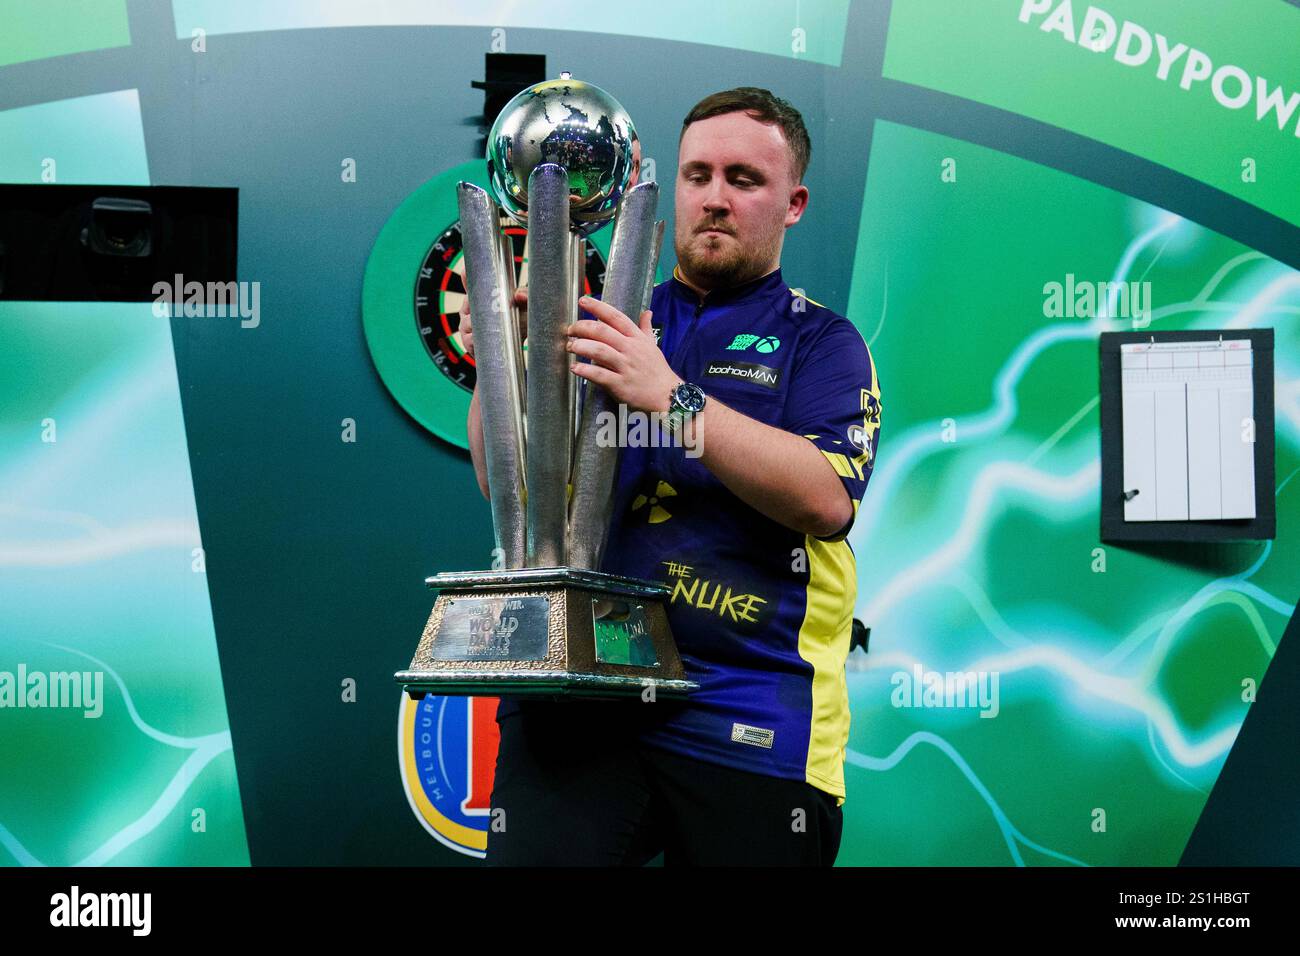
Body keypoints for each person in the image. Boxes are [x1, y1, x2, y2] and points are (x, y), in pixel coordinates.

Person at [461, 87, 882, 866]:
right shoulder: (602, 321)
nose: (714, 199)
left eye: (743, 180)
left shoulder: (820, 340)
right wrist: (508, 352)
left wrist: (668, 395)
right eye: (697, 176)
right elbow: (504, 486)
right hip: (582, 699)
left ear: (793, 203)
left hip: (748, 712)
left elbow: (827, 499)